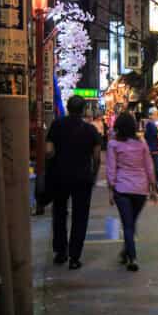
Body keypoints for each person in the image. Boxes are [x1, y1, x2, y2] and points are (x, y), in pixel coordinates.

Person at [45, 95, 102, 270]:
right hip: (83, 178)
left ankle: (60, 252)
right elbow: (97, 156)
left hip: (61, 177)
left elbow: (48, 151)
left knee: (60, 214)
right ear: (84, 109)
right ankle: (74, 257)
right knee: (80, 217)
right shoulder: (91, 130)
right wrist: (93, 174)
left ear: (68, 108)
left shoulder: (57, 125)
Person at [106, 112, 158, 271]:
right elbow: (149, 164)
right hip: (140, 190)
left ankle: (132, 258)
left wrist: (111, 189)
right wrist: (153, 186)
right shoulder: (141, 142)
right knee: (131, 223)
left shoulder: (113, 144)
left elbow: (111, 168)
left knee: (128, 225)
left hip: (122, 189)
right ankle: (126, 252)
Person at [144, 108, 158, 182]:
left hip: (151, 149)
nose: (157, 116)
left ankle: (154, 189)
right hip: (153, 150)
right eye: (156, 114)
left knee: (153, 169)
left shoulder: (149, 123)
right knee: (155, 169)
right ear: (153, 114)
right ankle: (154, 189)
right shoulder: (151, 124)